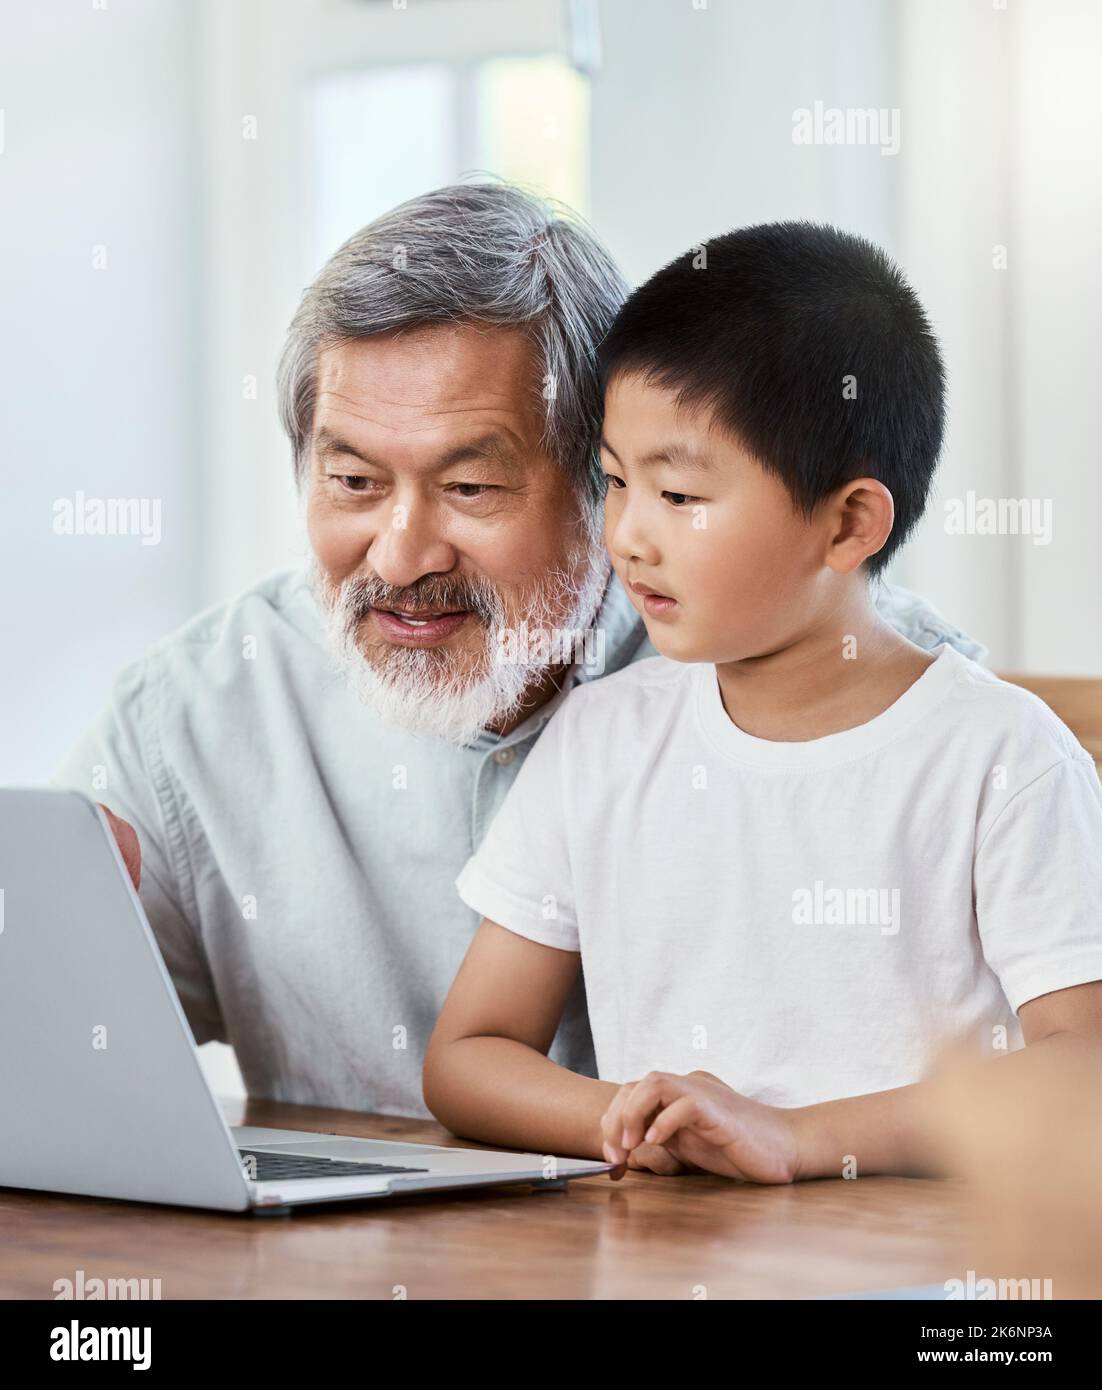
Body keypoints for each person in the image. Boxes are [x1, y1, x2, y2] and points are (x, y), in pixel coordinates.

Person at [54, 186, 982, 1120]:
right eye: (353, 481)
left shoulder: (868, 691)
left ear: (604, 483)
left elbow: (1013, 1105)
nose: (401, 557)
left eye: (471, 487)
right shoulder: (193, 716)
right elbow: (58, 1056)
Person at [424, 221, 1102, 1179]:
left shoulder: (1001, 757)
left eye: (680, 496)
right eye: (615, 481)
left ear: (849, 524)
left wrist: (797, 1137)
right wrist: (636, 1119)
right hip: (665, 1245)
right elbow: (468, 1056)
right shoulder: (601, 739)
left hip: (915, 1254)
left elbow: (1083, 1069)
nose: (628, 536)